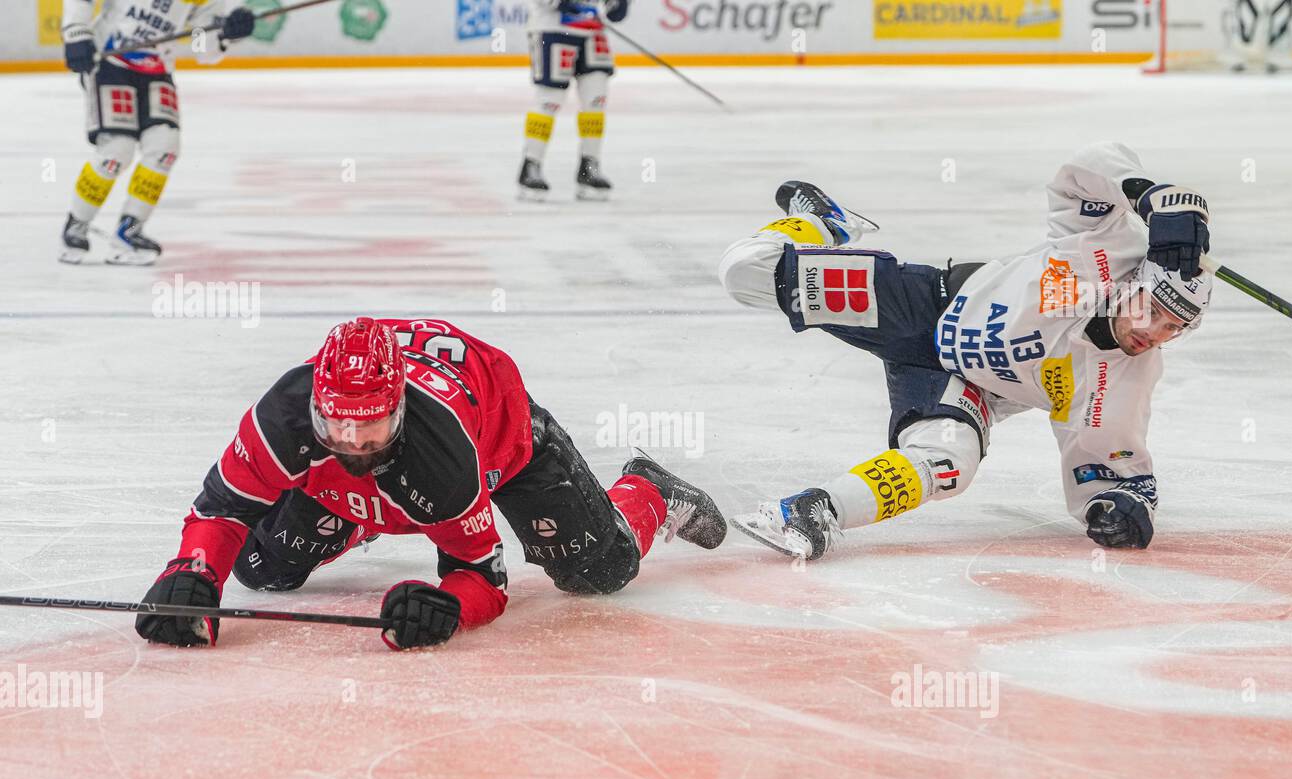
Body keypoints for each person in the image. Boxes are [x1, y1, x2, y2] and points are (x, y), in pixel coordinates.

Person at [718, 142, 1213, 558]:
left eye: (1175, 328)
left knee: (949, 463)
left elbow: (1109, 470)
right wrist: (1155, 195)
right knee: (746, 272)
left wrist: (1122, 510)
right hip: (922, 306)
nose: (1156, 332)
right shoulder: (1104, 250)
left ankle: (816, 511)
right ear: (1131, 286)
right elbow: (1085, 170)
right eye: (1154, 310)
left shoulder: (1124, 380)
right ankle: (826, 224)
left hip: (960, 384)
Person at [135, 317, 725, 649]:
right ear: (313, 402)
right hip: (392, 482)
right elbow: (222, 509)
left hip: (503, 437)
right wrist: (191, 572)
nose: (353, 443)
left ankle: (645, 492)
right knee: (264, 569)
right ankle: (363, 513)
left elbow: (484, 579)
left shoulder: (442, 456)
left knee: (599, 572)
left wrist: (448, 609)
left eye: (373, 429)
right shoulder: (279, 418)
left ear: (400, 411)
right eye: (335, 425)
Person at [59, 0, 255, 264]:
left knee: (164, 147)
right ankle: (77, 224)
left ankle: (129, 231)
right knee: (116, 150)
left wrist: (225, 34)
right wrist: (76, 31)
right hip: (109, 62)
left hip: (157, 68)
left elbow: (200, 45)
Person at [518, 0, 630, 200]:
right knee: (550, 100)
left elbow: (615, 13)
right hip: (552, 28)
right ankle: (531, 165)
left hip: (592, 31)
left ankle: (589, 165)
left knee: (596, 99)